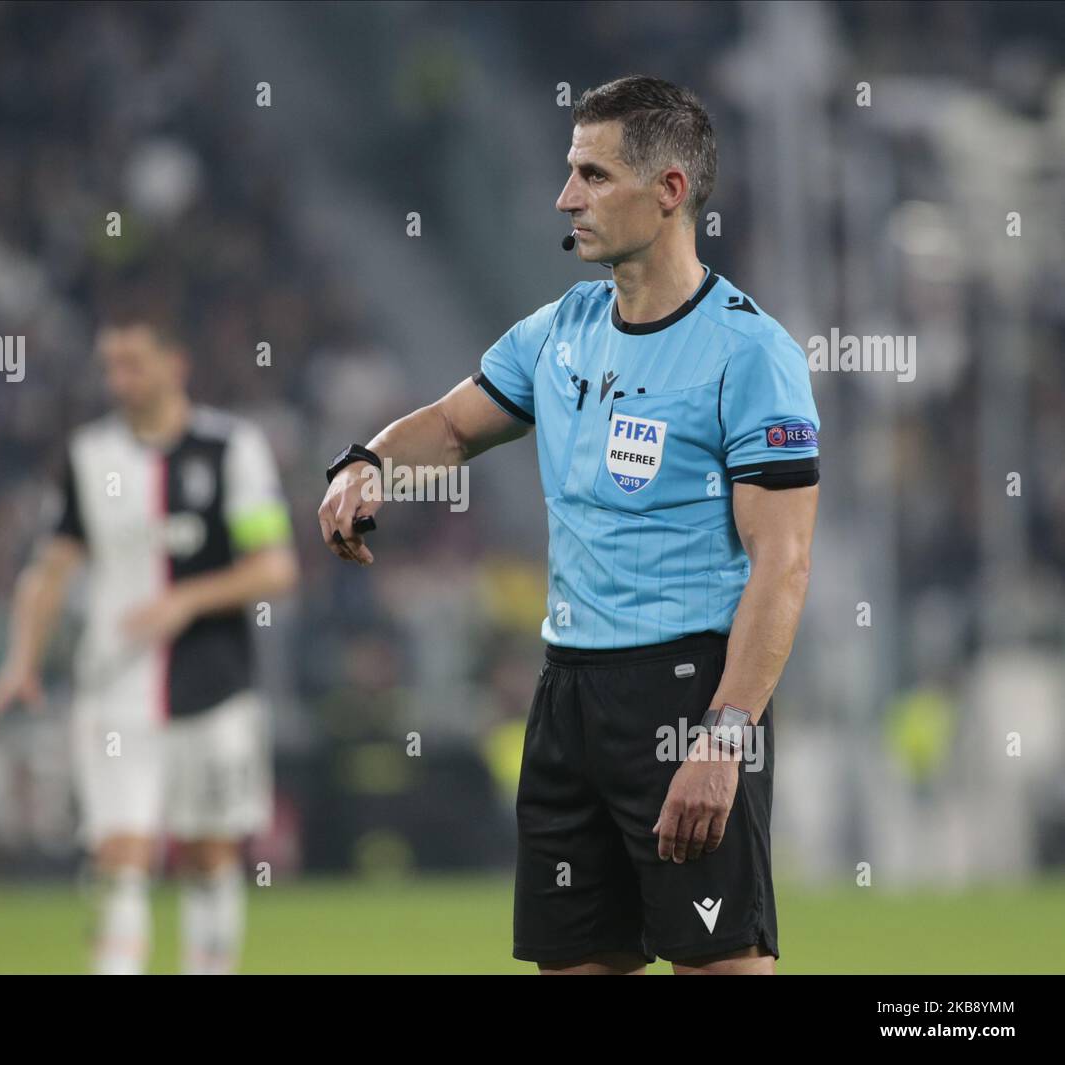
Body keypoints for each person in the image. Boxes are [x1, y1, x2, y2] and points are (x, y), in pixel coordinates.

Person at [318, 75, 819, 975]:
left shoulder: (751, 354)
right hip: (567, 697)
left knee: (723, 965)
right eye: (568, 171)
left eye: (592, 175)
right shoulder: (560, 330)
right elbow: (451, 422)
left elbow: (781, 565)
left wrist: (724, 735)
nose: (565, 198)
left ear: (669, 190)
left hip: (685, 695)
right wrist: (369, 461)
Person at [0, 318, 298, 974]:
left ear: (175, 363)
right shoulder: (89, 456)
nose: (120, 379)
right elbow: (51, 567)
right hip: (115, 686)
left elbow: (275, 568)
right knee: (119, 853)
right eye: (111, 366)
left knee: (208, 855)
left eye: (134, 363)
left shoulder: (232, 448)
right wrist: (22, 656)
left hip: (214, 687)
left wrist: (187, 598)